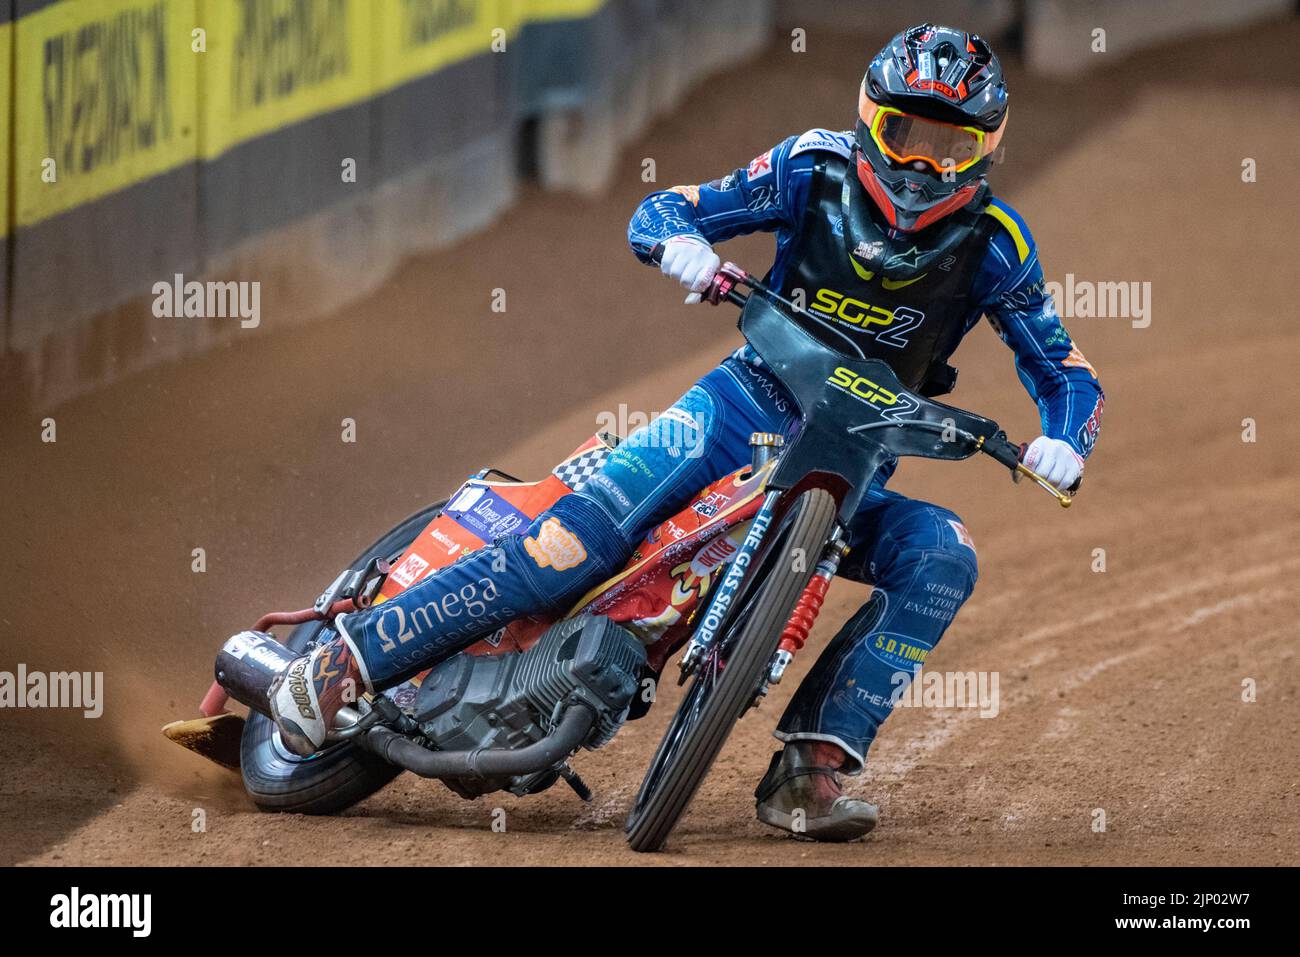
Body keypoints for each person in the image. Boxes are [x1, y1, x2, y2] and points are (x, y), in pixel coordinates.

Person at [269, 24, 1104, 842]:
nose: (924, 162)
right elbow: (665, 208)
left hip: (860, 459)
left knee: (945, 555)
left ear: (986, 149)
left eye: (949, 145)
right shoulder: (810, 166)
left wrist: (1067, 439)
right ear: (868, 118)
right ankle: (348, 662)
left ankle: (810, 766)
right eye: (906, 133)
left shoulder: (999, 247)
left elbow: (1067, 373)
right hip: (737, 404)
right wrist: (681, 246)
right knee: (573, 542)